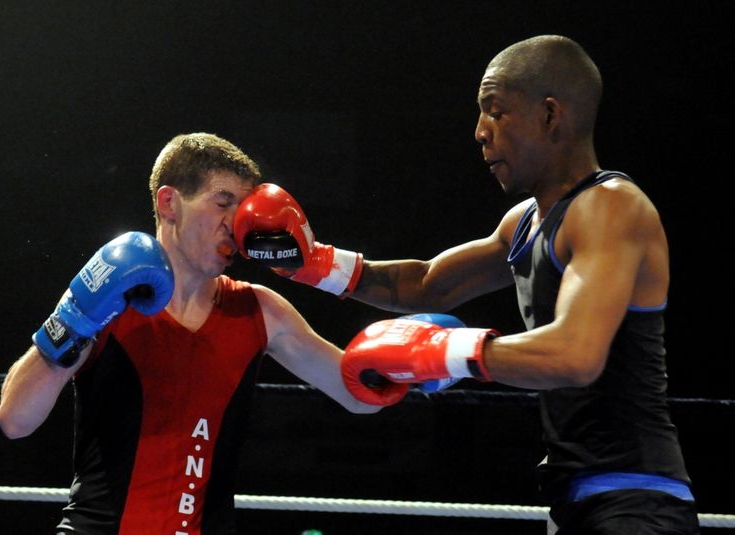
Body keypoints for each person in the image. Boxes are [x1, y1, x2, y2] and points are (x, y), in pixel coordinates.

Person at [233, 35, 700, 533]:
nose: (480, 132)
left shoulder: (610, 207)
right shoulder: (525, 223)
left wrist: (444, 351)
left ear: (550, 115)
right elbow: (426, 284)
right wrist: (314, 263)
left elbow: (576, 355)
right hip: (578, 498)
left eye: (495, 112)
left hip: (637, 501)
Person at [0, 132, 379, 535]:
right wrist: (75, 319)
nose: (236, 224)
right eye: (222, 203)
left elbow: (360, 396)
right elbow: (15, 420)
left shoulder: (260, 311)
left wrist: (411, 351)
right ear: (169, 203)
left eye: (243, 210)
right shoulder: (109, 299)